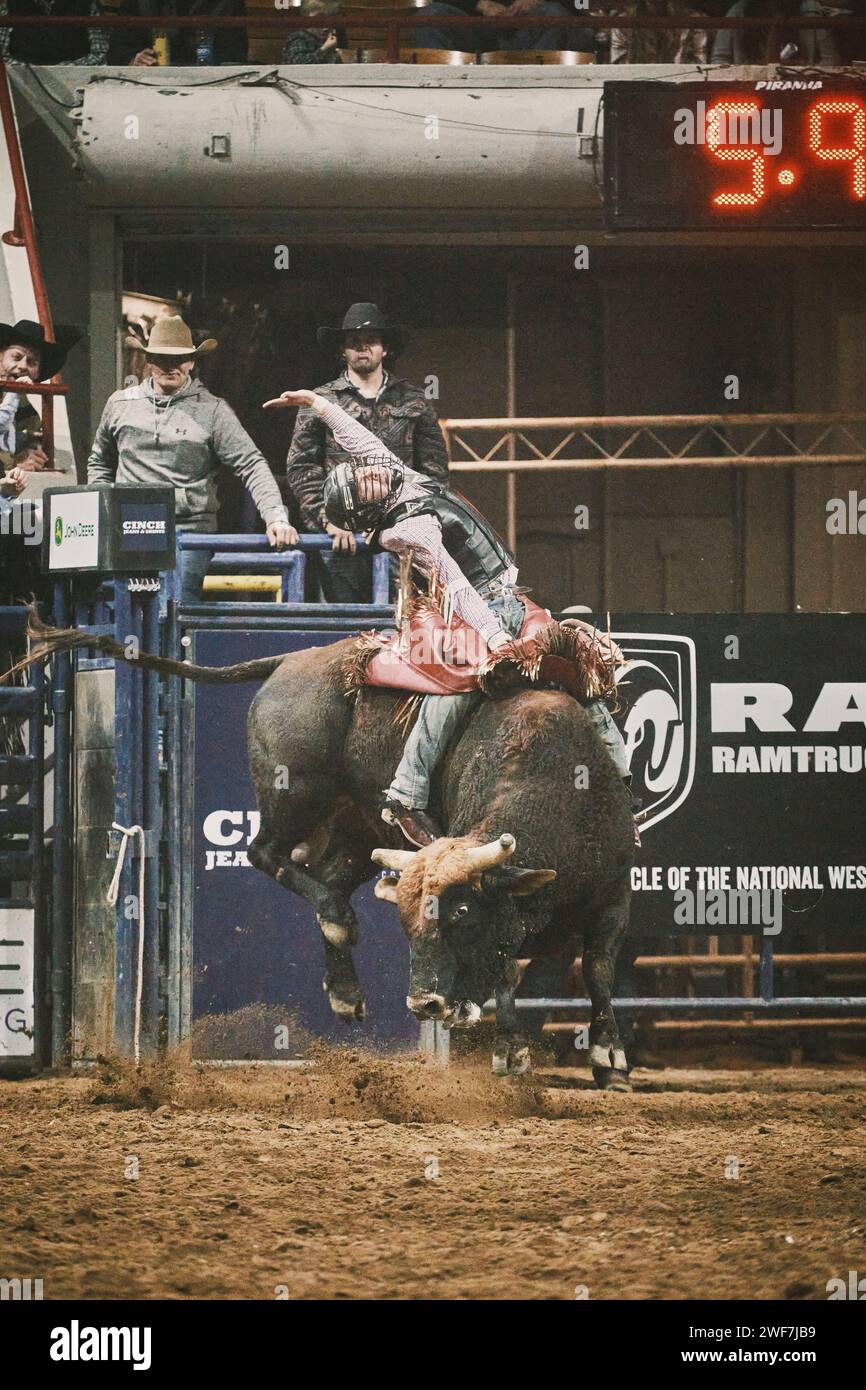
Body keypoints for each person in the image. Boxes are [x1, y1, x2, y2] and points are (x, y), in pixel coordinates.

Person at [268, 387, 632, 849]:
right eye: (364, 485)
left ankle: (620, 779)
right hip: (482, 604)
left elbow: (360, 441)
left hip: (509, 595)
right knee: (456, 683)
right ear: (369, 506)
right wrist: (497, 637)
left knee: (576, 665)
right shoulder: (410, 528)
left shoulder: (398, 479)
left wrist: (317, 406)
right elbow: (456, 583)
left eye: (364, 475)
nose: (371, 474)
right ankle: (405, 794)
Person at [87, 315, 296, 604]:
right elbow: (100, 461)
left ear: (191, 362)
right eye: (161, 358)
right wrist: (103, 514)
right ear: (149, 360)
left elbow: (251, 463)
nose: (170, 366)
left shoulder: (212, 410)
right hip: (131, 526)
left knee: (173, 609)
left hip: (187, 530)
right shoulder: (121, 404)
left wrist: (275, 515)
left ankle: (170, 649)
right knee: (129, 608)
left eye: (179, 358)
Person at [286, 302, 448, 604]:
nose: (362, 347)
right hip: (340, 539)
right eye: (353, 342)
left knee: (402, 625)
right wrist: (328, 519)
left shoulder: (414, 399)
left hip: (399, 535)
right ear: (342, 351)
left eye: (371, 340)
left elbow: (434, 471)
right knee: (342, 630)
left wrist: (416, 521)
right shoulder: (321, 400)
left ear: (385, 349)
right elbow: (301, 467)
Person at [0, 318, 80, 471]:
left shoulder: (22, 403)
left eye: (32, 362)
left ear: (37, 374)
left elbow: (33, 444)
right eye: (16, 357)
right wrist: (12, 465)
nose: (23, 366)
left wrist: (30, 457)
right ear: (0, 356)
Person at [414, 0, 595, 53]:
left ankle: (535, 89)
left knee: (553, 13)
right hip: (479, 29)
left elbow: (583, 3)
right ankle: (444, 92)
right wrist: (481, 4)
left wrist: (536, 1)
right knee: (432, 14)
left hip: (534, 29)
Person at [106, 0, 248, 66]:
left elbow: (234, 54)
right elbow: (118, 48)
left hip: (209, 88)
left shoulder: (227, 2)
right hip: (148, 85)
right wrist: (133, 60)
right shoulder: (139, 2)